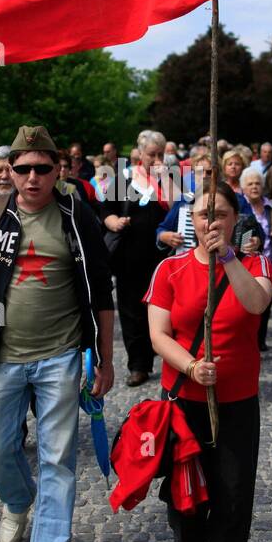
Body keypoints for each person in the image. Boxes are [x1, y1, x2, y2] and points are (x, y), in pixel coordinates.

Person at [0, 125, 115, 542]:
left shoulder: (75, 217)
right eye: (22, 168)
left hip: (60, 355)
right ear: (10, 171)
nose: (32, 177)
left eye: (43, 168)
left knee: (57, 456)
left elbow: (101, 291)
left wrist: (103, 358)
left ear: (58, 170)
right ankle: (18, 501)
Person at [146, 182, 272, 542]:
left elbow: (256, 304)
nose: (210, 222)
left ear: (235, 219)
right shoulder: (170, 269)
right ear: (190, 220)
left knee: (233, 497)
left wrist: (229, 259)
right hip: (183, 401)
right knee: (185, 496)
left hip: (238, 402)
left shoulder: (254, 263)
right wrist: (192, 366)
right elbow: (157, 334)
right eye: (203, 214)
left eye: (219, 214)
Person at [102, 130, 175, 387]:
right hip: (128, 257)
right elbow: (106, 212)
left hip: (160, 256)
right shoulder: (124, 178)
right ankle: (138, 365)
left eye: (160, 154)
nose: (155, 159)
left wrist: (164, 179)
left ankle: (164, 355)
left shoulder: (170, 177)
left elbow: (179, 207)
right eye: (151, 154)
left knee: (160, 308)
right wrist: (115, 222)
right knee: (131, 311)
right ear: (139, 153)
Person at [239, 168, 272, 351]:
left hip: (268, 261)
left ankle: (260, 340)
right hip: (243, 264)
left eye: (257, 183)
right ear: (243, 188)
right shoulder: (239, 206)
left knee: (265, 303)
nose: (255, 187)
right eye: (250, 184)